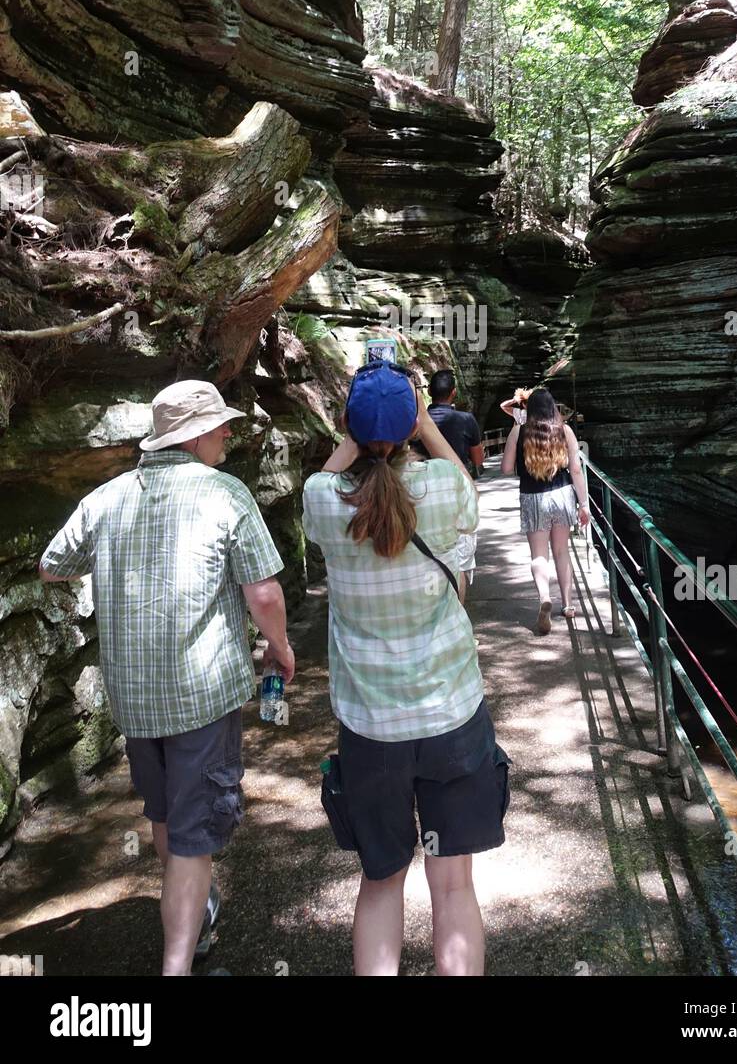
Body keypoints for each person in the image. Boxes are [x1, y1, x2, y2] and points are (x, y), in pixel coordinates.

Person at [38, 380, 295, 976]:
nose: (229, 432)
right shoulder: (225, 492)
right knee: (194, 834)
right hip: (200, 694)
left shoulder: (107, 498)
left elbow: (52, 567)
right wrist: (279, 648)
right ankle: (181, 965)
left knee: (166, 816)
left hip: (133, 695)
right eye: (221, 425)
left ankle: (196, 909)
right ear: (195, 434)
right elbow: (262, 591)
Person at [302, 360, 509, 977]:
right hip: (451, 718)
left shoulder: (322, 500)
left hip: (371, 730)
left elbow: (327, 477)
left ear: (347, 426)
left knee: (381, 881)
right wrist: (422, 423)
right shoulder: (444, 490)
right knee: (453, 888)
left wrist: (356, 434)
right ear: (413, 422)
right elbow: (459, 475)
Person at [499, 387, 590, 635]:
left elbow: (506, 468)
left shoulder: (519, 431)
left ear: (528, 409)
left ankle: (543, 599)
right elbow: (576, 470)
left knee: (539, 555)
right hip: (562, 495)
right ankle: (569, 605)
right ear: (553, 408)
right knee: (561, 552)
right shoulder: (565, 431)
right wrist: (583, 505)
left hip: (532, 497)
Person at [427, 368, 483, 602]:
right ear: (453, 393)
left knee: (429, 558)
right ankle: (457, 619)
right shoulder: (466, 420)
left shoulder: (417, 421)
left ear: (429, 392)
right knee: (459, 562)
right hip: (458, 494)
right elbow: (478, 460)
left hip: (423, 495)